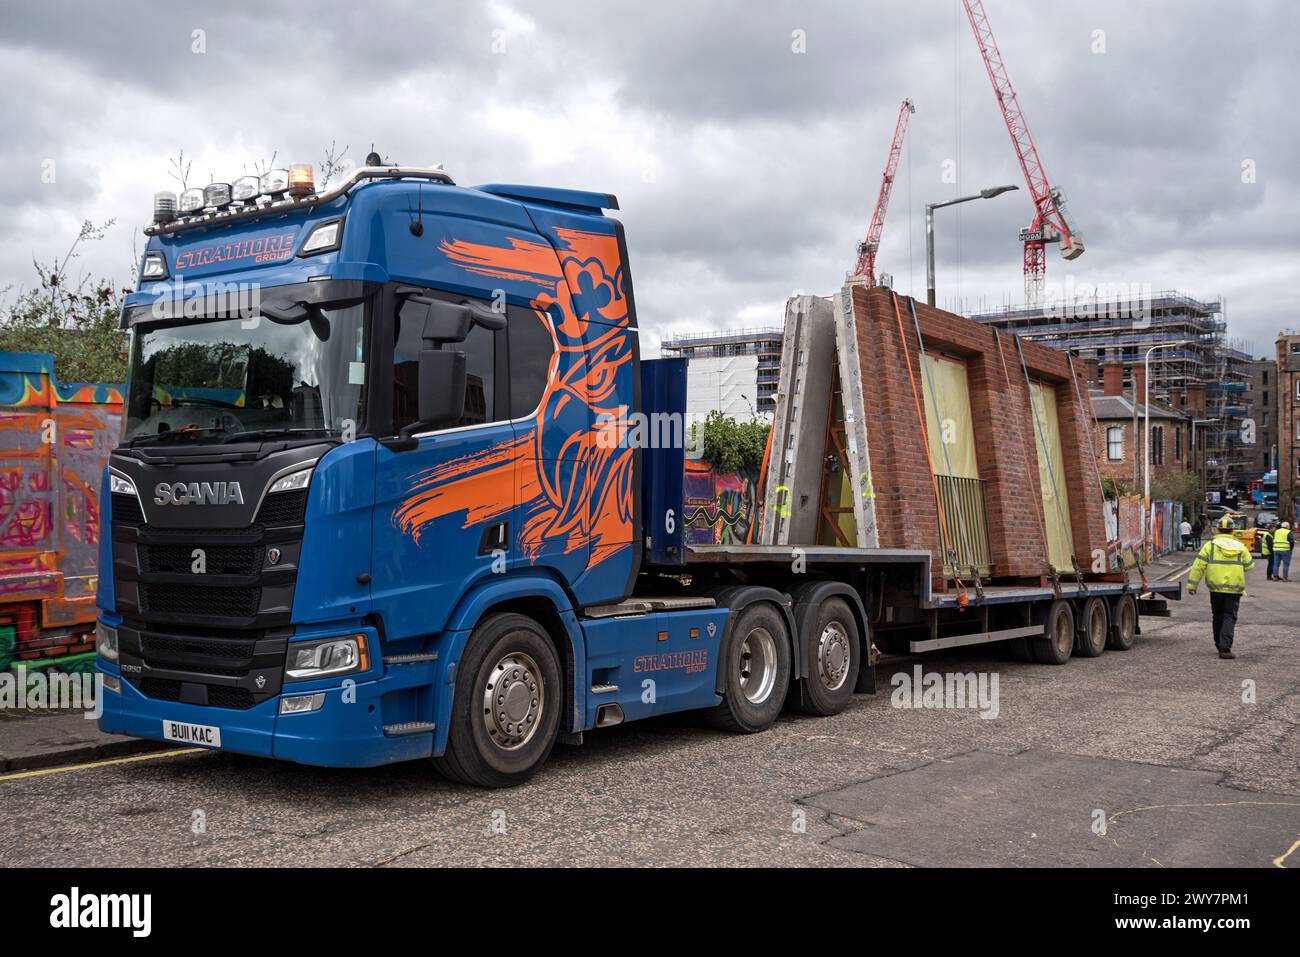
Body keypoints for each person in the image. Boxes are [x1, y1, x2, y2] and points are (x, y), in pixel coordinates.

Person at [1187, 516, 1255, 659]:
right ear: (1232, 530)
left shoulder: (1210, 546)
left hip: (1215, 589)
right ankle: (1225, 648)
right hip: (1234, 589)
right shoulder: (1240, 546)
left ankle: (1218, 644)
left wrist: (1192, 585)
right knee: (1229, 616)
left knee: (1217, 616)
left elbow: (1198, 566)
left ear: (1217, 529)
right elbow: (1249, 566)